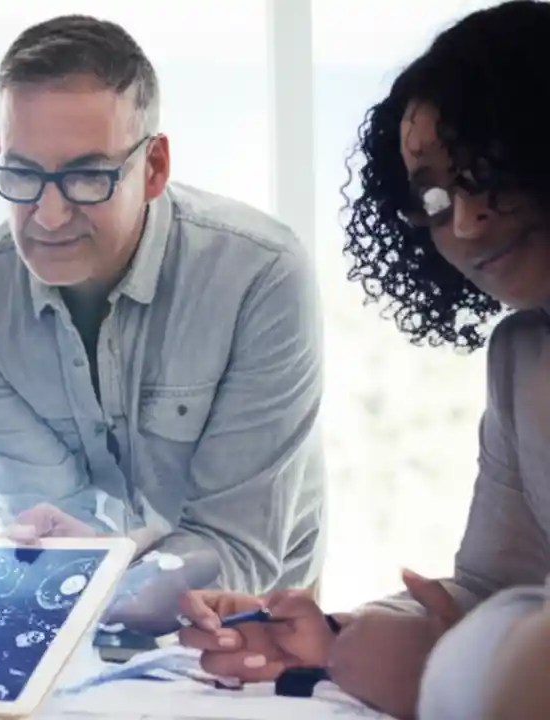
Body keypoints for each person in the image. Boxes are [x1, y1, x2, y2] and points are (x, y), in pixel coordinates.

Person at [177, 3, 550, 718]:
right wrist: (335, 638)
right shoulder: (520, 360)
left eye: (489, 169)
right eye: (434, 196)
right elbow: (491, 590)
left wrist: (459, 660)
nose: (466, 222)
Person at [0, 14, 326, 599]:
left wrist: (102, 570)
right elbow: (48, 532)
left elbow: (238, 546)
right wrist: (98, 572)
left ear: (155, 168)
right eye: (22, 173)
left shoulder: (262, 275)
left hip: (257, 604)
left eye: (87, 176)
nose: (48, 215)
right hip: (94, 600)